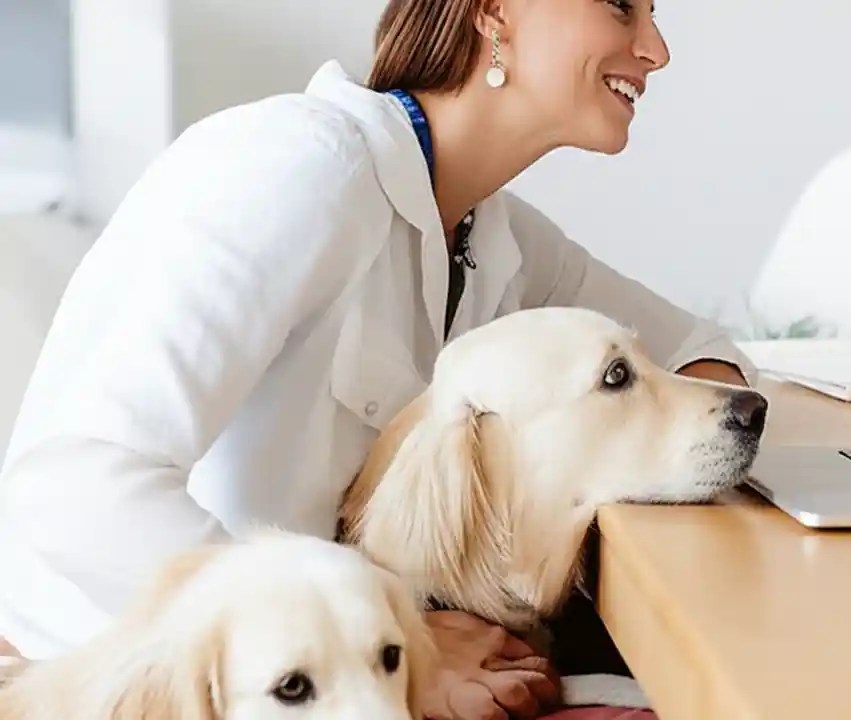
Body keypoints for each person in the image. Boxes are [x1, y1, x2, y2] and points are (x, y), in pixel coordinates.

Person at [0, 0, 754, 717]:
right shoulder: (300, 167)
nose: (656, 49)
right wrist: (387, 646)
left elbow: (704, 358)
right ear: (492, 11)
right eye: (621, 5)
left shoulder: (494, 233)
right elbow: (73, 485)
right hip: (102, 682)